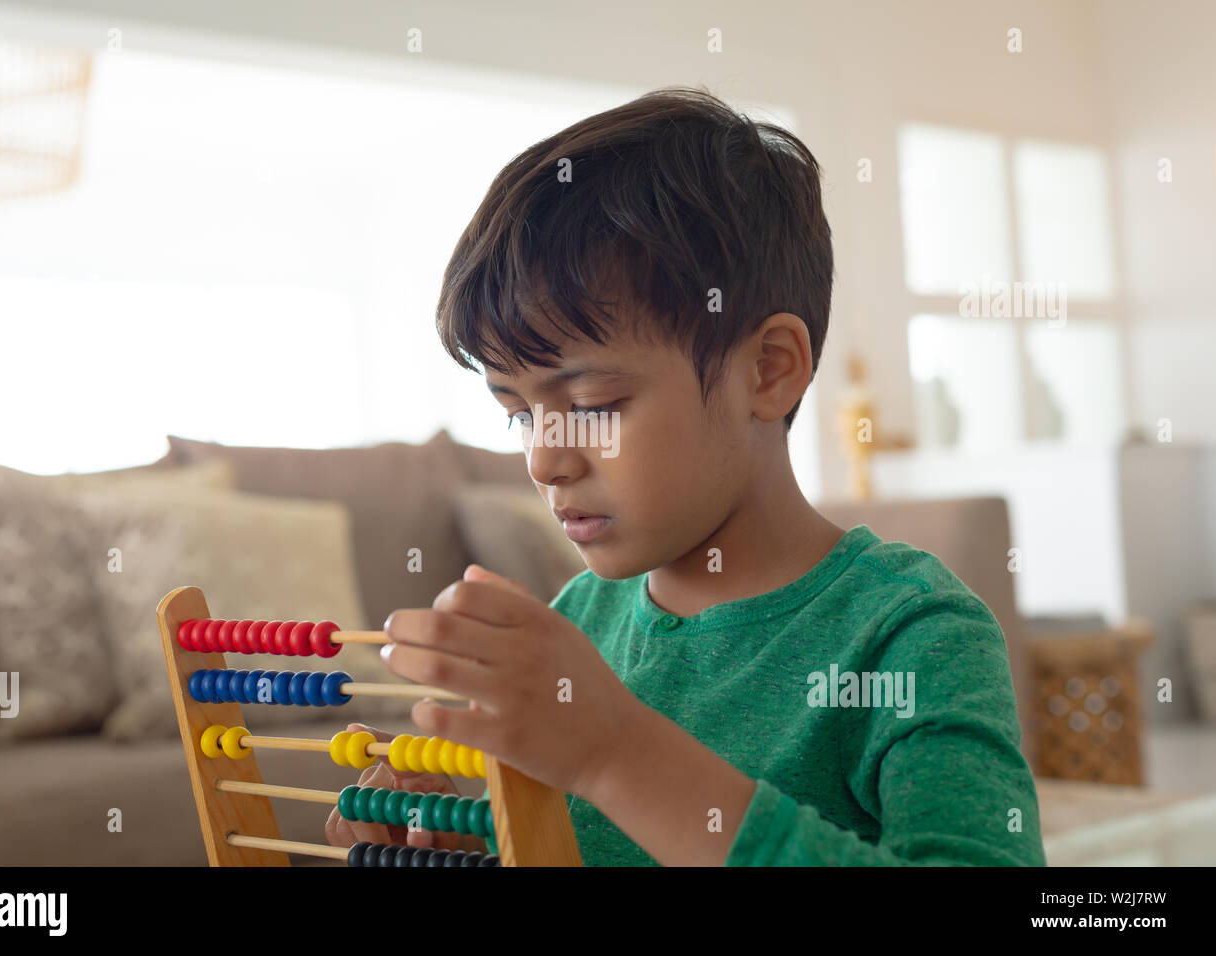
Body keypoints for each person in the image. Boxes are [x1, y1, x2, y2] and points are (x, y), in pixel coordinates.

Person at [326, 86, 1044, 866]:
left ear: (768, 371)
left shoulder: (910, 636)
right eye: (519, 415)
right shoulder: (579, 621)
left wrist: (616, 753)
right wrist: (452, 839)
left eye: (593, 402)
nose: (543, 458)